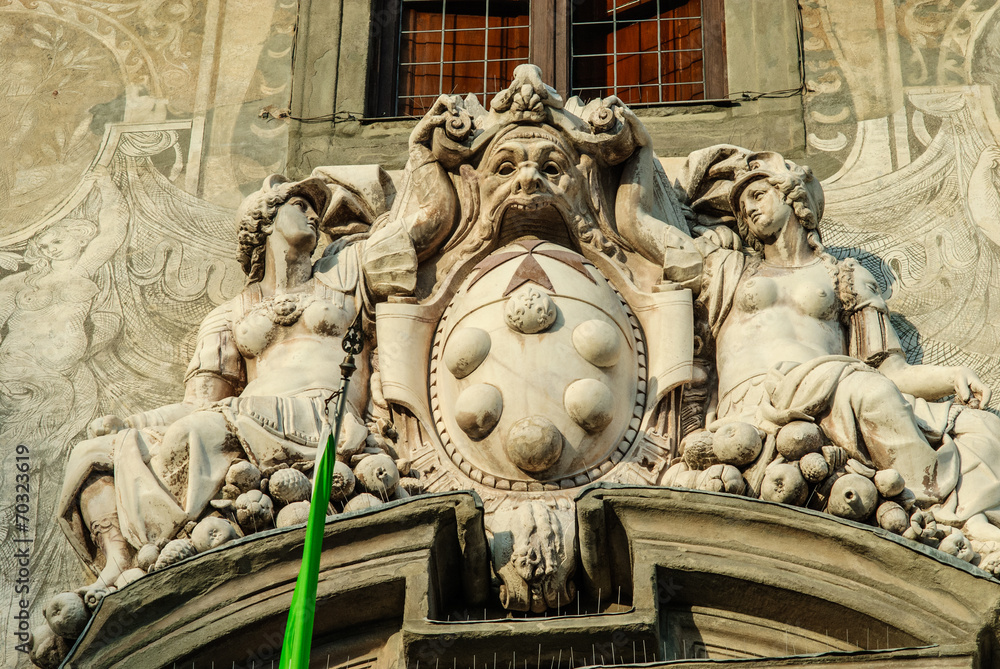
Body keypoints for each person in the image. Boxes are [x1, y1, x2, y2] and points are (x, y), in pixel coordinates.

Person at [58, 173, 417, 591]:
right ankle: (119, 557)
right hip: (245, 416)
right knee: (96, 451)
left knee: (197, 432)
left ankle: (166, 532)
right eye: (299, 206)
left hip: (323, 415)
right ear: (264, 220)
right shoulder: (229, 314)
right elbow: (199, 402)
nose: (314, 216)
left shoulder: (345, 271)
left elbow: (423, 228)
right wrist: (132, 423)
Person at [684, 150, 1000, 544]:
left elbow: (893, 372)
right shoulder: (729, 269)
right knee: (869, 390)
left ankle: (943, 513)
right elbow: (646, 236)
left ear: (792, 195)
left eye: (758, 194)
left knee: (977, 425)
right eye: (743, 204)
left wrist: (952, 375)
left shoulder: (845, 276)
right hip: (753, 404)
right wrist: (637, 152)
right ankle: (937, 511)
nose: (748, 208)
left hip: (832, 392)